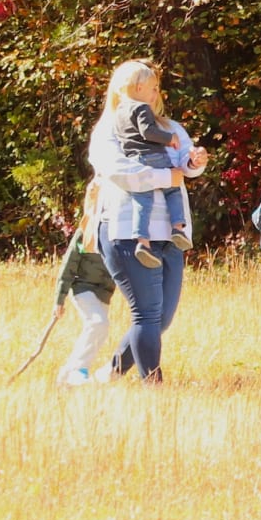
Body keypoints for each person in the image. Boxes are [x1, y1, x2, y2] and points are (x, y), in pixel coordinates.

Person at [88, 59, 208, 382]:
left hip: (170, 232)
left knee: (161, 319)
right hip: (127, 231)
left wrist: (195, 161)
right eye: (149, 86)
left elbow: (185, 163)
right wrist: (165, 178)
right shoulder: (109, 128)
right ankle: (153, 387)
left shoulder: (168, 127)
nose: (155, 94)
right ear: (128, 88)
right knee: (147, 314)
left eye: (156, 88)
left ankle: (109, 374)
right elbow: (119, 172)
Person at [103, 72, 191, 269]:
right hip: (153, 156)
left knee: (142, 201)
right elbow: (147, 132)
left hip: (135, 160)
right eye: (153, 89)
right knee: (173, 188)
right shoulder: (141, 107)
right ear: (139, 88)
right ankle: (178, 228)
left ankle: (142, 242)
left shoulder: (119, 112)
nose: (155, 94)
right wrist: (169, 138)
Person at [52, 179, 116, 386]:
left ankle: (67, 374)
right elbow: (68, 267)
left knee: (99, 330)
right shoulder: (84, 233)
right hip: (82, 289)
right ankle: (80, 370)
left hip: (105, 292)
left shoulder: (117, 232)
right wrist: (59, 300)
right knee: (98, 323)